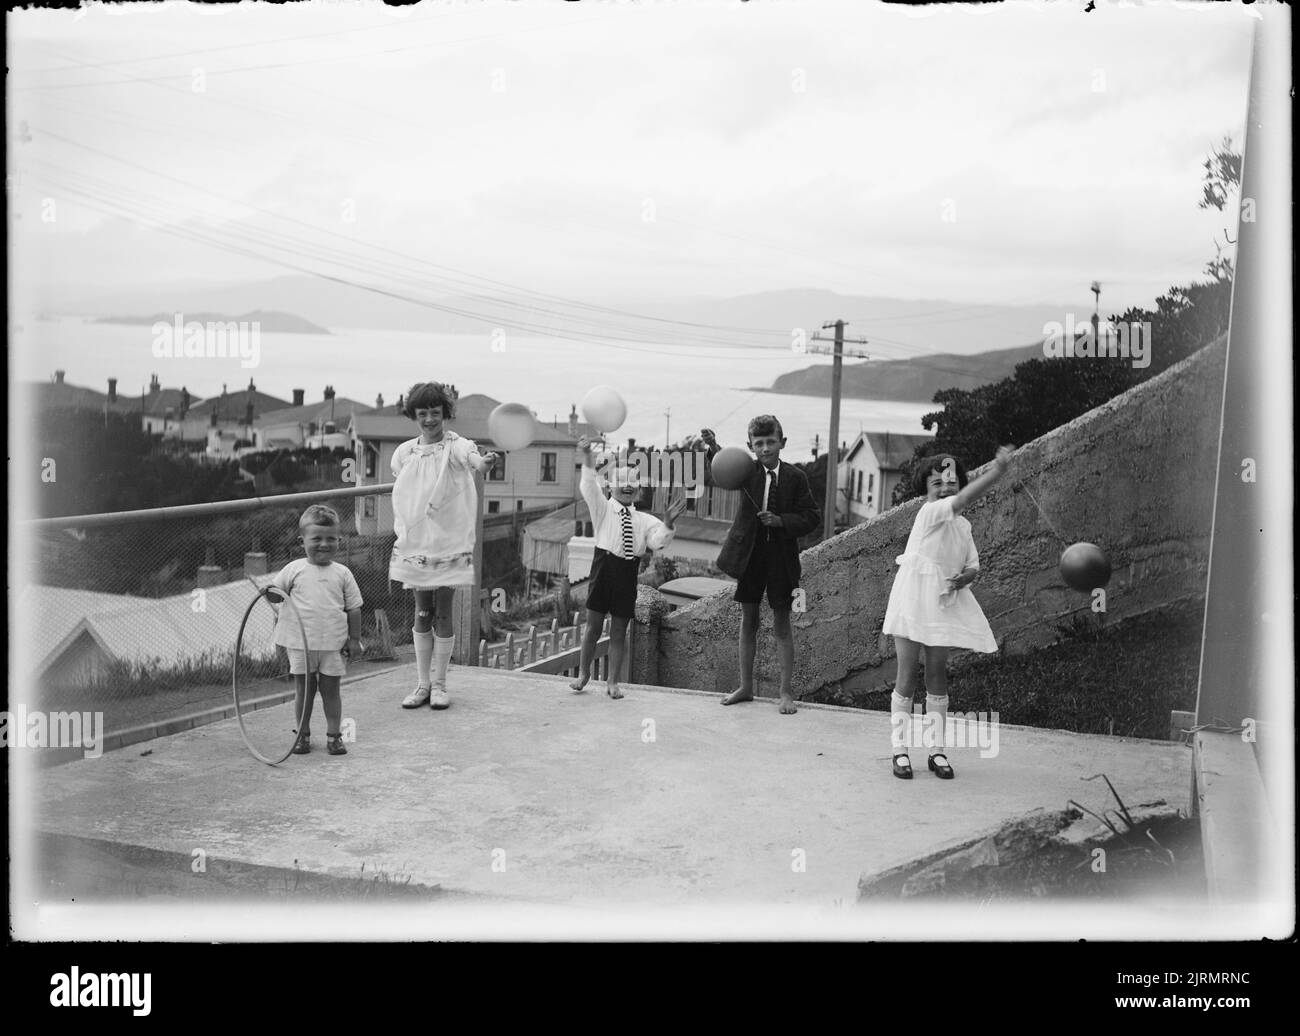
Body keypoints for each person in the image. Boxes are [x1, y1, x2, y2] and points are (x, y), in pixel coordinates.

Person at [882, 445, 1014, 780]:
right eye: (937, 483)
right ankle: (899, 750)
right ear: (926, 490)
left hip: (941, 603)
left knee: (937, 675)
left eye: (951, 482)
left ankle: (936, 750)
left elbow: (972, 566)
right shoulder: (929, 513)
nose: (945, 488)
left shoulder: (963, 526)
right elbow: (959, 502)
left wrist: (963, 578)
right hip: (913, 600)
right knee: (907, 675)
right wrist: (996, 473)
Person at [702, 417, 820, 715]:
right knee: (748, 621)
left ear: (783, 442)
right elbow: (725, 470)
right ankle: (745, 686)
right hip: (750, 556)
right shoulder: (748, 471)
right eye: (759, 444)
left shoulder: (796, 477)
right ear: (750, 447)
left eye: (770, 442)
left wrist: (781, 521)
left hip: (782, 559)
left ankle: (785, 691)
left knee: (782, 624)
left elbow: (811, 516)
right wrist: (713, 448)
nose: (765, 448)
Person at [391, 381, 497, 710]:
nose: (429, 419)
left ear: (445, 413)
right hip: (417, 544)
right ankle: (421, 685)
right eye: (422, 413)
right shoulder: (404, 452)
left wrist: (484, 463)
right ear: (414, 415)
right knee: (422, 612)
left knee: (443, 612)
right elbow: (405, 488)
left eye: (435, 413)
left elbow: (474, 460)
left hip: (448, 544)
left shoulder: (456, 445)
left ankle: (439, 685)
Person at [570, 436, 685, 698]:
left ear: (640, 490)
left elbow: (658, 542)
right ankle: (583, 674)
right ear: (610, 486)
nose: (627, 488)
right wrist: (587, 456)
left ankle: (612, 682)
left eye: (633, 484)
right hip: (603, 569)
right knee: (593, 626)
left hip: (627, 573)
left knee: (620, 630)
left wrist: (667, 523)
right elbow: (588, 485)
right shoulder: (601, 510)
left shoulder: (644, 520)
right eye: (621, 483)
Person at [271, 504, 364, 757]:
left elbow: (354, 608)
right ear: (302, 541)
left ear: (339, 540)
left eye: (331, 538)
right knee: (304, 690)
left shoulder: (343, 573)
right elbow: (276, 595)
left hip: (332, 645)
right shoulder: (293, 569)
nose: (324, 544)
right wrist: (269, 592)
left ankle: (334, 736)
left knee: (331, 690)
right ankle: (302, 735)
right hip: (300, 644)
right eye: (317, 539)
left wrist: (354, 640)